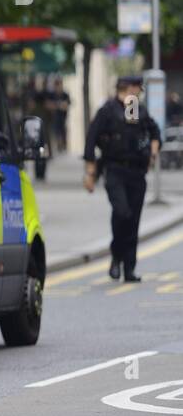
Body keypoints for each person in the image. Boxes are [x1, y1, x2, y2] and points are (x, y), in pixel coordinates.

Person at [83, 75, 161, 282]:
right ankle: (116, 256)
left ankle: (128, 268)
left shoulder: (136, 109)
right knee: (122, 212)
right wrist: (90, 173)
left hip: (136, 172)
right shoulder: (108, 110)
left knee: (133, 220)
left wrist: (152, 153)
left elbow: (154, 131)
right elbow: (91, 140)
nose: (139, 93)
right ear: (129, 88)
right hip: (115, 170)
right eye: (137, 89)